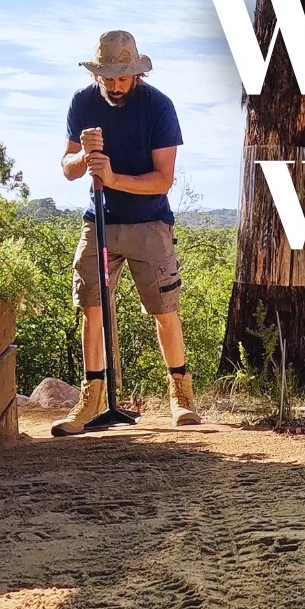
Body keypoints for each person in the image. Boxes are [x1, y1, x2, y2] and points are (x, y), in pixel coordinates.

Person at [52, 30, 199, 435]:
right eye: (108, 78)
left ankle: (180, 395)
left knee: (164, 310)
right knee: (92, 306)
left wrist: (113, 177)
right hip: (98, 219)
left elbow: (162, 180)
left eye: (123, 77)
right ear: (97, 73)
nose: (116, 85)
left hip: (150, 223)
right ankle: (92, 397)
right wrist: (84, 154)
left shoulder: (158, 107)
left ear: (136, 72)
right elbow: (67, 168)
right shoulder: (82, 103)